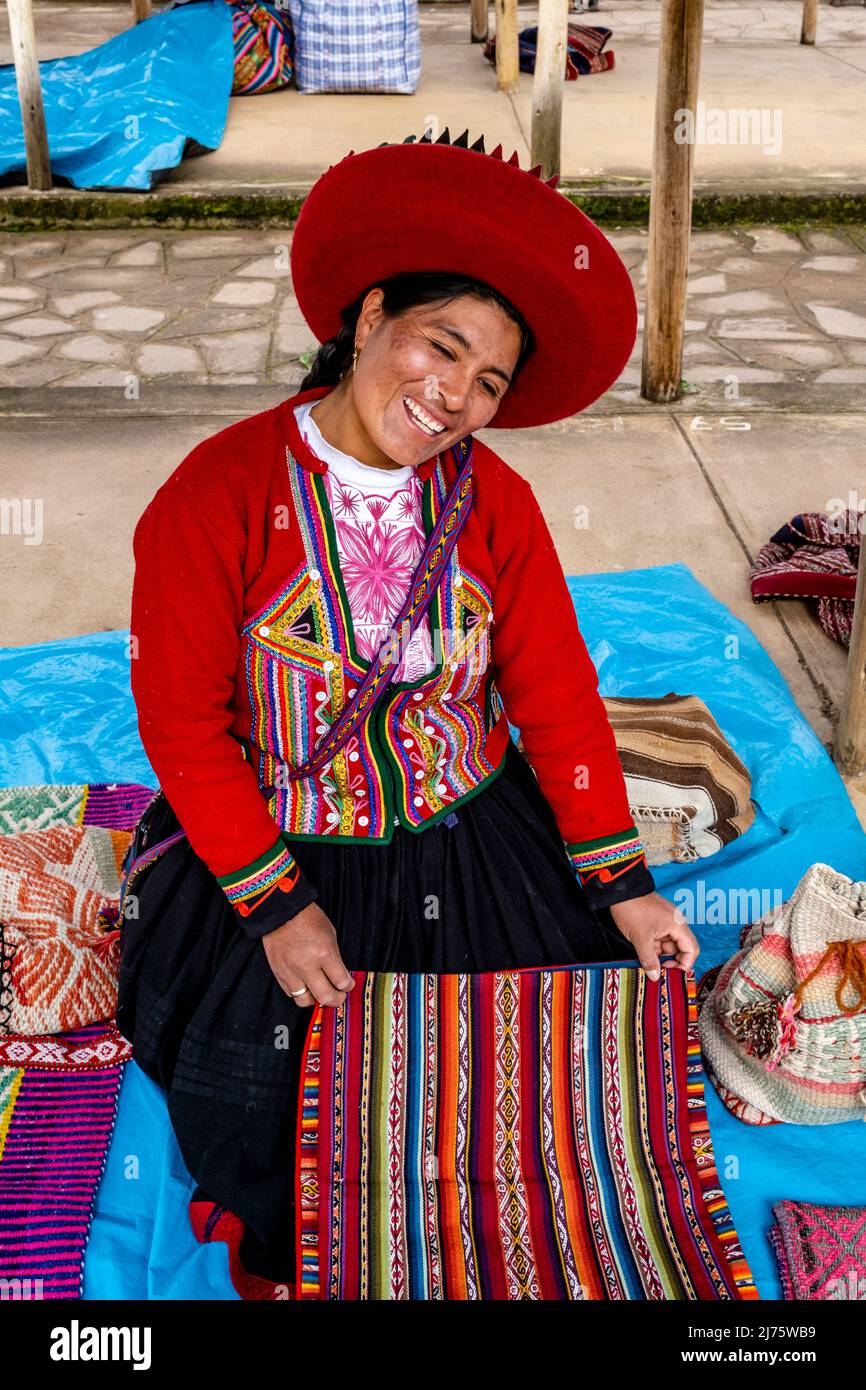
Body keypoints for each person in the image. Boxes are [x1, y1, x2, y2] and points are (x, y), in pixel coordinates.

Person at [117, 128, 699, 1300]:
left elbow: (555, 695)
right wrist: (278, 909)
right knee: (268, 1112)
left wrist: (623, 884)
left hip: (473, 825)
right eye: (441, 345)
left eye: (487, 381)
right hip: (281, 846)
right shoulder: (215, 494)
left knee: (550, 1072)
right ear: (369, 313)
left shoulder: (497, 503)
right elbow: (181, 727)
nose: (453, 396)